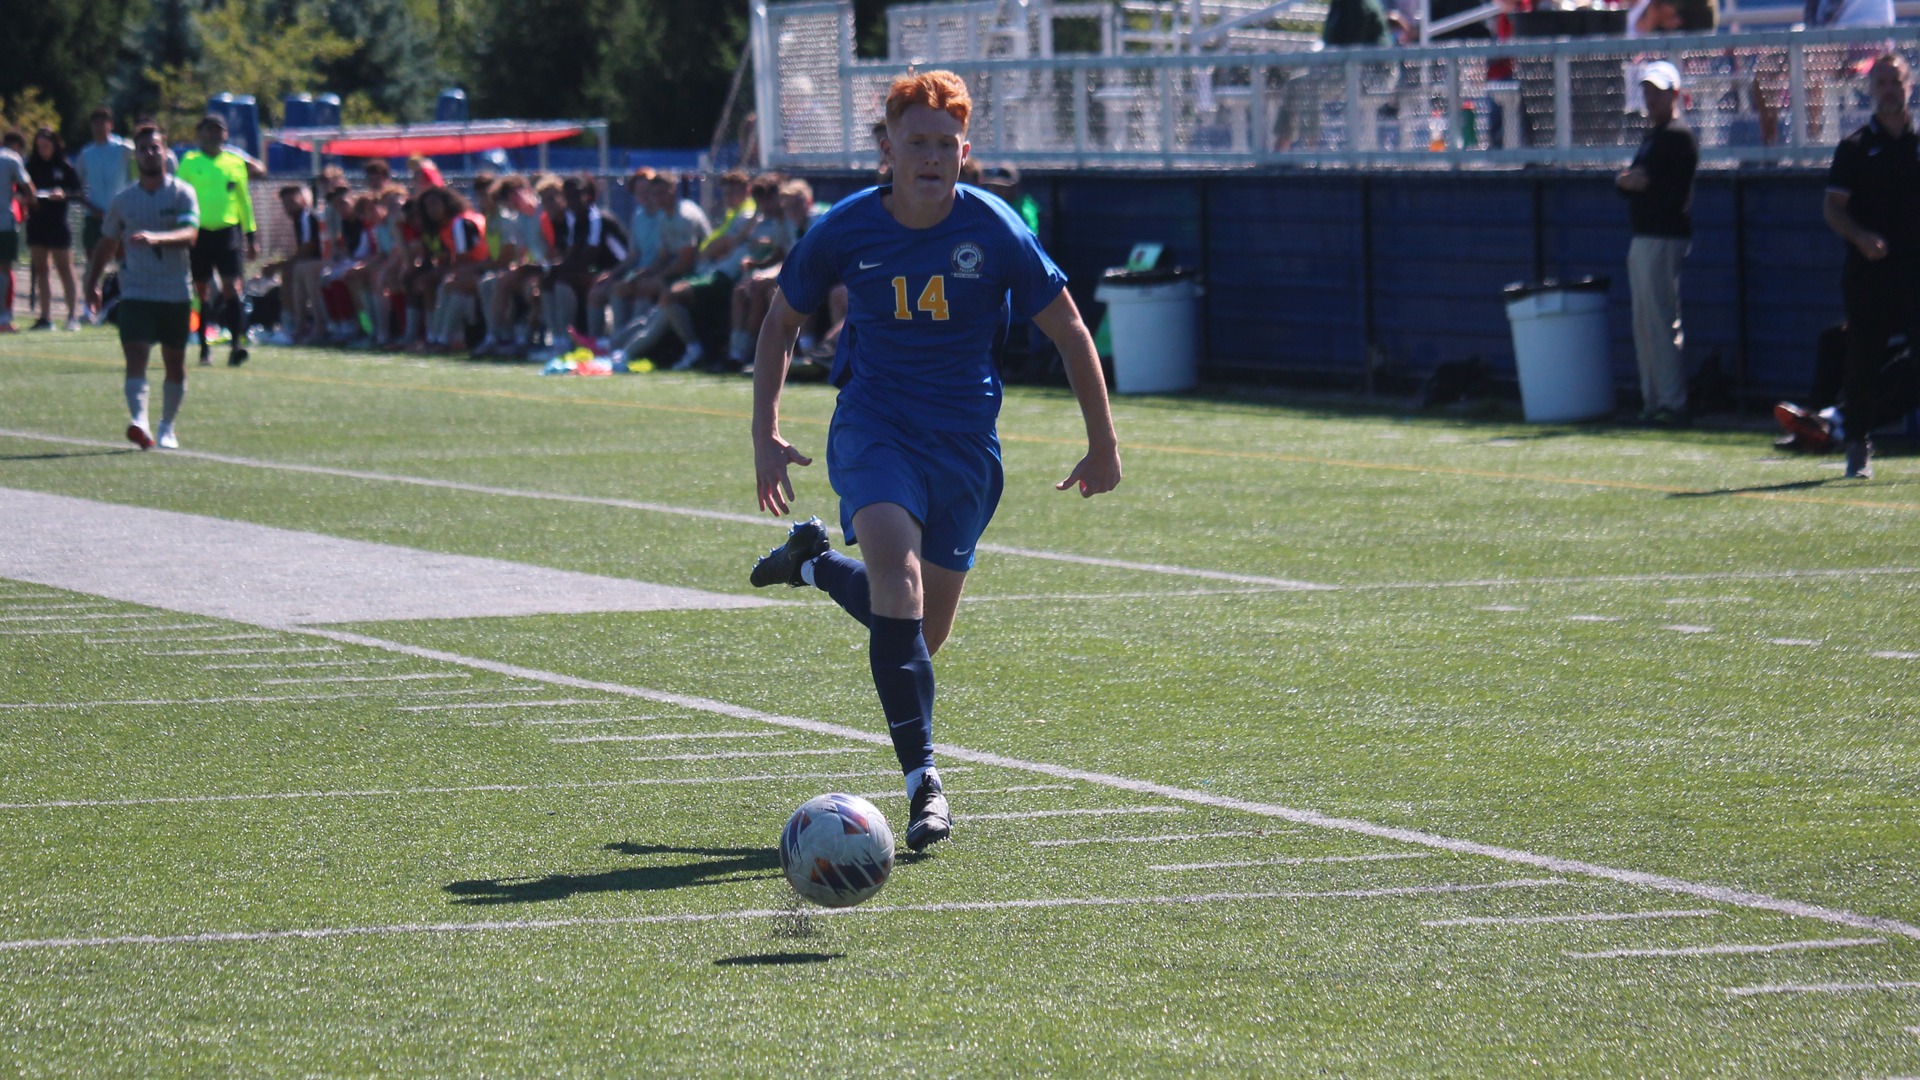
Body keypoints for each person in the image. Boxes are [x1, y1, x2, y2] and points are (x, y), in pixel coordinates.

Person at [747, 70, 1123, 852]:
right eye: (914, 141)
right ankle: (926, 786)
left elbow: (1071, 330)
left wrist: (1103, 441)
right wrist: (766, 434)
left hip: (964, 450)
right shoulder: (845, 229)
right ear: (885, 146)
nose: (930, 156)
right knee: (900, 582)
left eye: (944, 144)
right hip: (875, 431)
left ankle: (813, 564)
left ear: (964, 150)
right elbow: (781, 322)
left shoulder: (995, 230)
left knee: (919, 629)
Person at [1779, 53, 1920, 479]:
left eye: (1895, 81)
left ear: (1909, 85)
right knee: (1861, 359)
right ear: (1870, 90)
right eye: (1880, 82)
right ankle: (1857, 444)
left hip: (1916, 272)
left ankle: (1848, 421)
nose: (1888, 90)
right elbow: (1833, 209)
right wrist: (1860, 237)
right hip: (1870, 273)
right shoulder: (1855, 148)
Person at [83, 125, 199, 450]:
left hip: (175, 290)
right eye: (144, 148)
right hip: (136, 290)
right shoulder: (123, 200)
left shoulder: (182, 193)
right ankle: (141, 422)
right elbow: (106, 244)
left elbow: (190, 235)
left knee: (174, 360)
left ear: (165, 152)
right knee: (136, 354)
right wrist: (92, 284)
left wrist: (155, 237)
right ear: (136, 155)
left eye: (155, 147)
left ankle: (167, 426)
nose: (150, 153)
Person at [1616, 60, 1697, 427]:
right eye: (1647, 91)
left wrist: (1636, 182)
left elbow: (1652, 183)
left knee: (1661, 321)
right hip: (1645, 235)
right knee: (1643, 323)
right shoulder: (1654, 137)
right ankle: (1653, 400)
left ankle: (1672, 402)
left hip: (1663, 236)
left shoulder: (1677, 136)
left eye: (1658, 92)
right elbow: (1629, 181)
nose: (1650, 99)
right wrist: (1633, 182)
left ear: (1675, 95)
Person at [176, 113, 257, 366]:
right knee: (202, 292)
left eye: (218, 130)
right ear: (200, 133)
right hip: (198, 233)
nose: (214, 135)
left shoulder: (235, 163)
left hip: (227, 233)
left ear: (225, 134)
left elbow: (244, 201)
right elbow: (179, 196)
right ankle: (203, 347)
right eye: (209, 130)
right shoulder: (190, 162)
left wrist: (251, 235)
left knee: (232, 287)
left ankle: (235, 345)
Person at [75, 107, 135, 319]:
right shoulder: (86, 153)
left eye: (104, 121)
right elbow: (79, 188)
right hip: (95, 218)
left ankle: (123, 304)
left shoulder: (124, 148)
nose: (100, 126)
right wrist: (92, 208)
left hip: (122, 217)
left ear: (111, 124)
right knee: (93, 265)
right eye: (96, 122)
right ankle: (89, 309)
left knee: (125, 262)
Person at [24, 127, 82, 331]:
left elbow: (77, 191)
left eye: (46, 146)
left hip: (58, 223)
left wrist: (63, 193)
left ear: (55, 145)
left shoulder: (64, 166)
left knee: (65, 269)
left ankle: (72, 316)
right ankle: (45, 317)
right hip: (37, 223)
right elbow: (21, 189)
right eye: (39, 146)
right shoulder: (31, 165)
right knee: (41, 270)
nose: (43, 150)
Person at [0, 131, 33, 333]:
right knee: (4, 269)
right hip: (4, 223)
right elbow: (28, 188)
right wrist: (30, 201)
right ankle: (3, 319)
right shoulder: (10, 158)